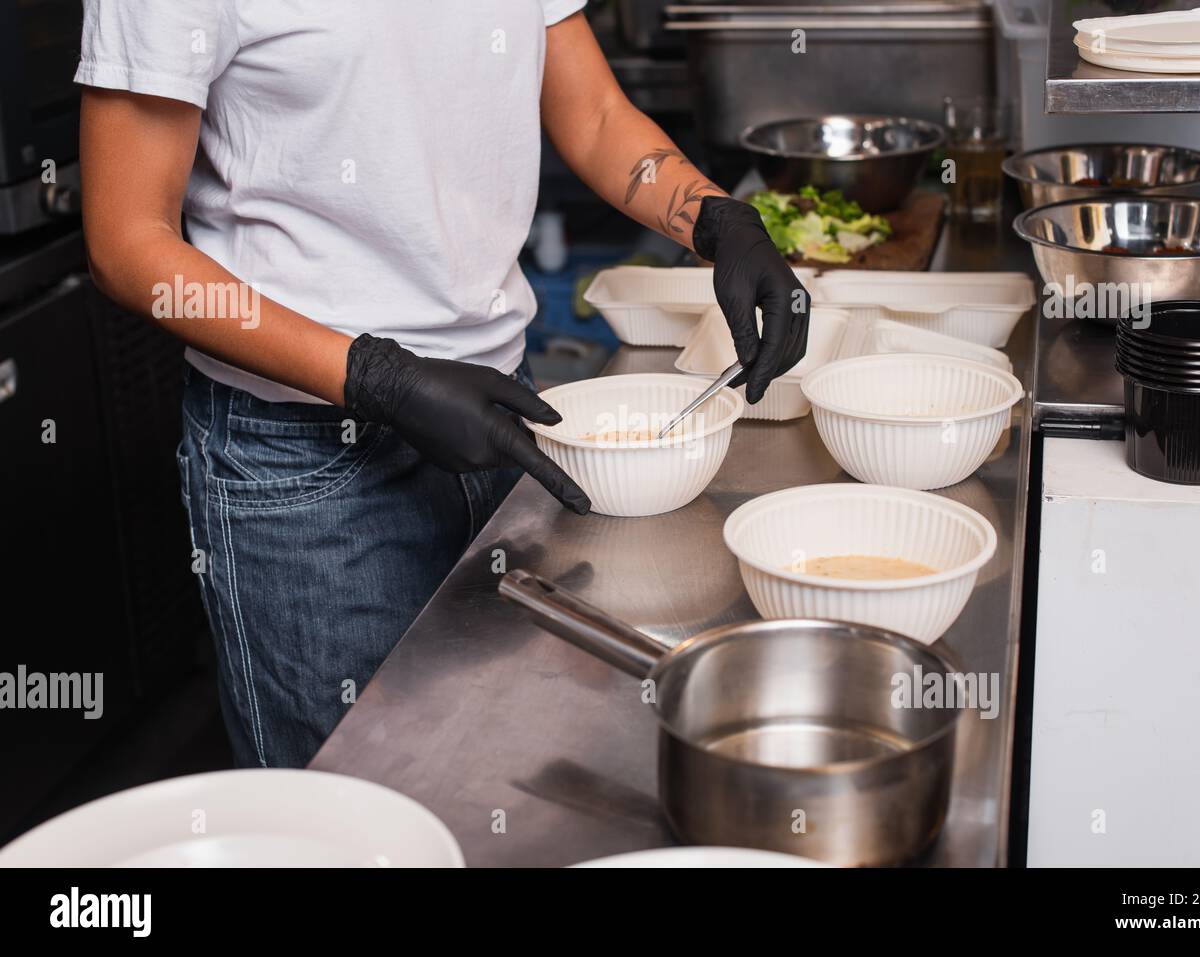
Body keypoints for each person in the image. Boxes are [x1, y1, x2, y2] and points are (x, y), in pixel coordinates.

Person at [77, 1, 809, 768]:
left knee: (498, 777)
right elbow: (128, 242)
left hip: (501, 417)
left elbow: (592, 113)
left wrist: (716, 220)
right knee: (353, 813)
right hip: (308, 469)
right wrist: (377, 377)